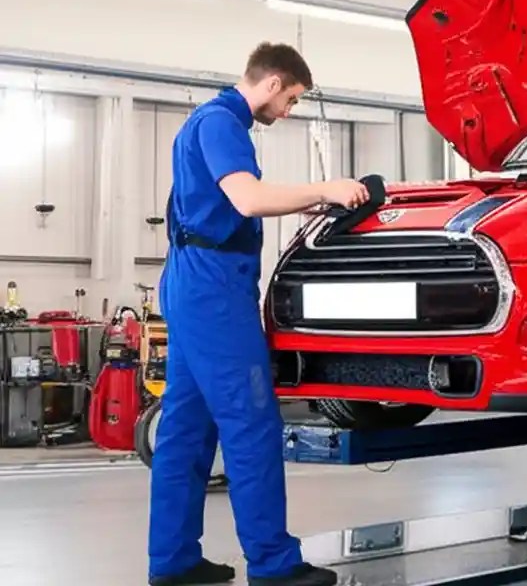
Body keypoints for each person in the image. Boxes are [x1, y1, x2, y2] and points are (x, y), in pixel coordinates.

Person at [147, 42, 368, 586]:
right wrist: (326, 188)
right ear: (272, 84)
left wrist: (308, 203)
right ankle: (274, 566)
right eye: (291, 99)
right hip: (214, 290)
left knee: (186, 429)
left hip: (192, 279)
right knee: (251, 425)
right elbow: (247, 199)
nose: (288, 111)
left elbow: (234, 201)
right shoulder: (223, 123)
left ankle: (172, 562)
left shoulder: (204, 122)